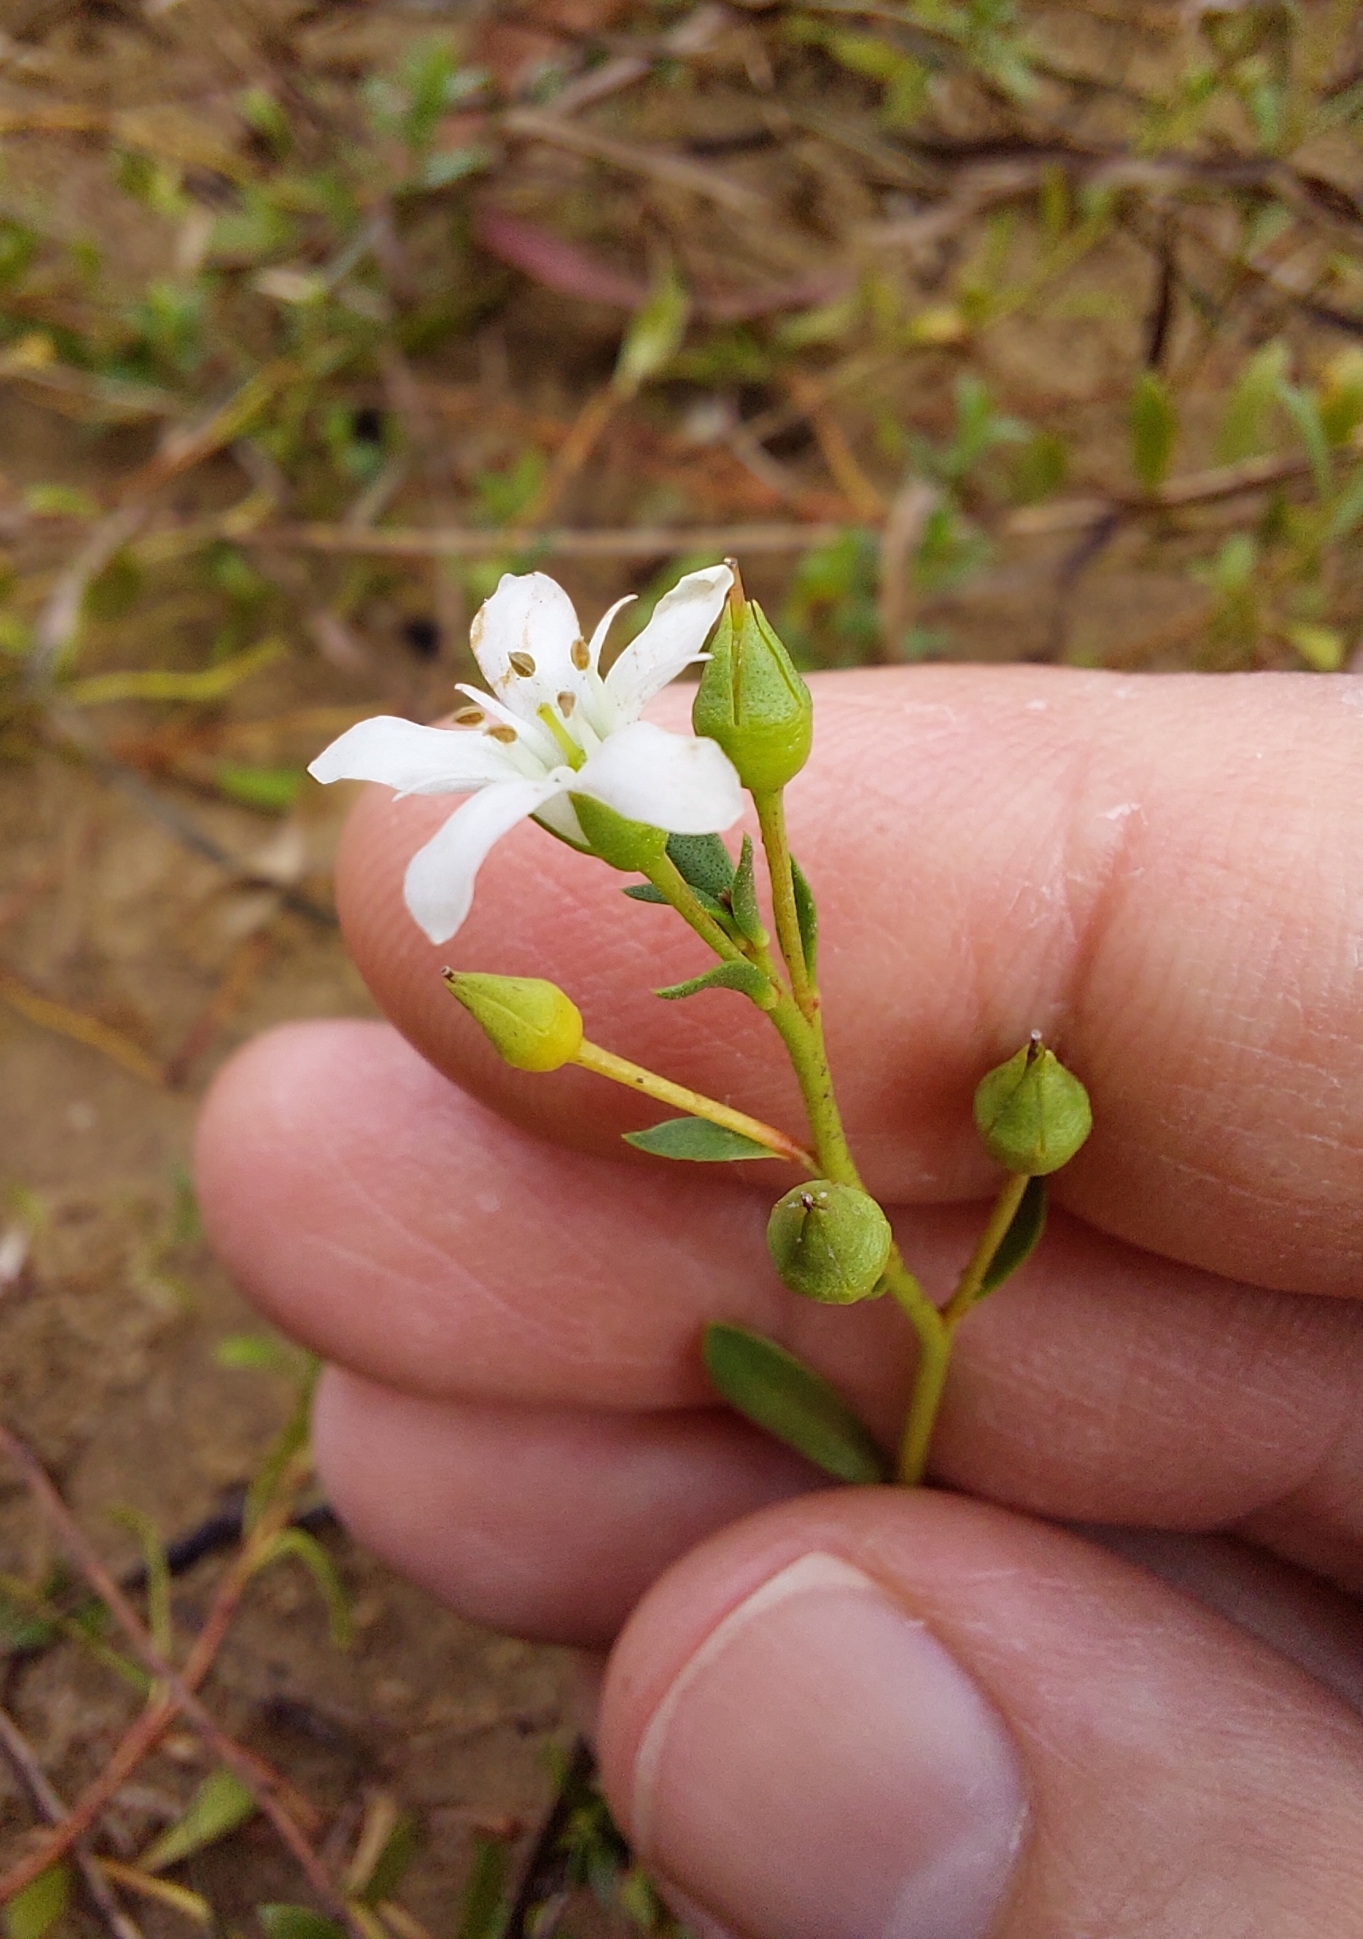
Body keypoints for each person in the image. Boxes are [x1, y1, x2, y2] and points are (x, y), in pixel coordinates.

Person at [196, 666, 1363, 1939]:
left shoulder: (691, 791)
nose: (540, 711)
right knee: (841, 1243)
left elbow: (795, 1017)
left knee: (898, 1262)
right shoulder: (629, 801)